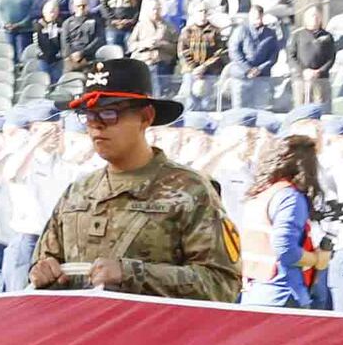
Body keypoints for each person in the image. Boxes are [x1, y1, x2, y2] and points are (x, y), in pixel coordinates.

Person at [25, 57, 240, 301]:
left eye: (109, 114)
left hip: (155, 336)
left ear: (145, 117)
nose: (96, 126)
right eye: (88, 115)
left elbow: (222, 284)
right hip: (82, 333)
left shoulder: (191, 191)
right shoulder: (77, 193)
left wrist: (132, 274)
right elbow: (44, 261)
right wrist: (42, 271)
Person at [233, 130, 322, 310]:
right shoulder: (290, 197)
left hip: (256, 289)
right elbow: (285, 249)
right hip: (283, 292)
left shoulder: (261, 194)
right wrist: (315, 259)